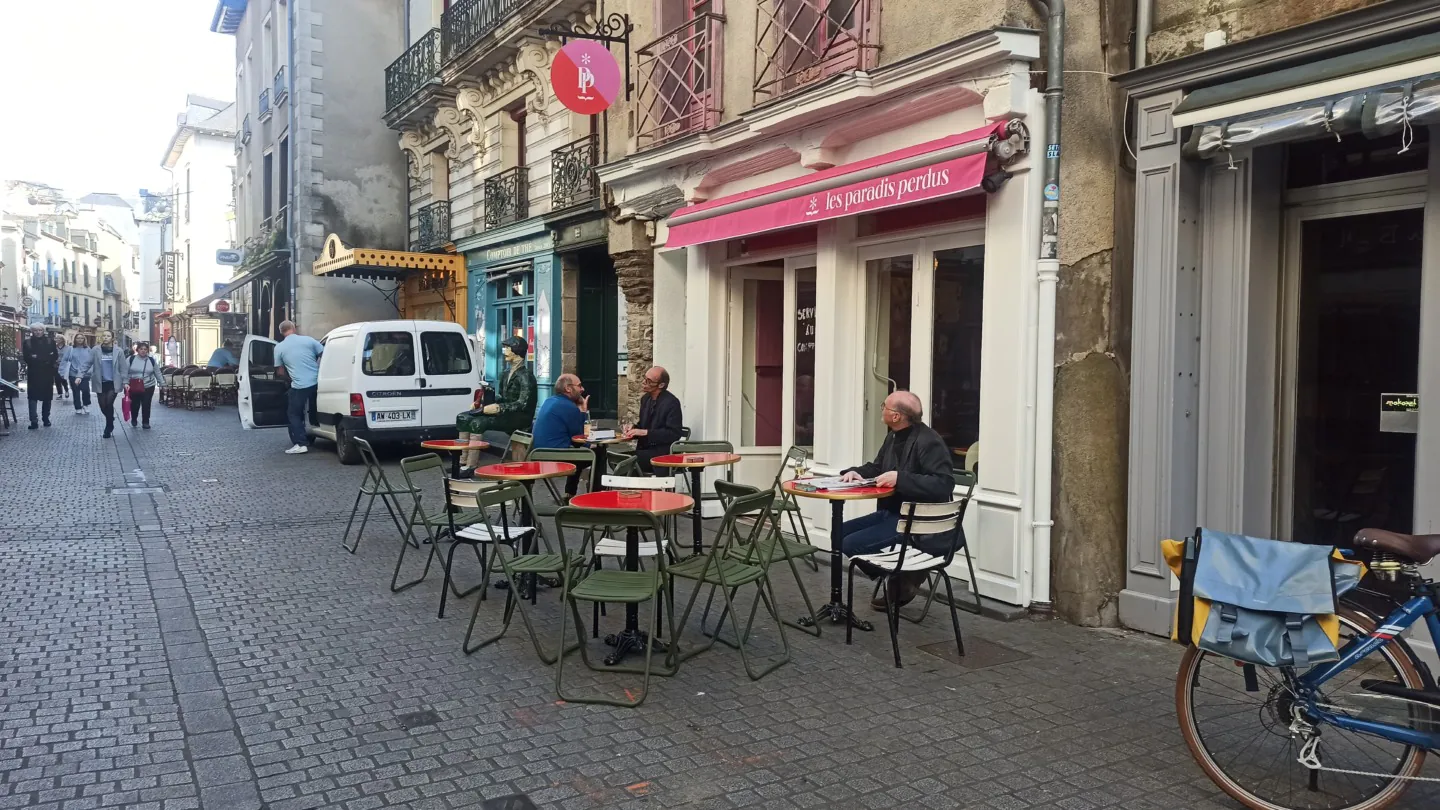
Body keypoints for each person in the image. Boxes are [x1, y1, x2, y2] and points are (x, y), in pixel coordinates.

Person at [837, 390, 956, 608]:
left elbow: (943, 484)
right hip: (893, 512)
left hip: (918, 521)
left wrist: (900, 479)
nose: (881, 408)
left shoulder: (929, 441)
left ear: (896, 416)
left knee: (849, 543)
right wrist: (855, 472)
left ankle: (906, 576)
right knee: (838, 533)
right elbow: (878, 467)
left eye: (885, 406)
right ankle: (903, 575)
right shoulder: (892, 436)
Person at [457, 335, 537, 472]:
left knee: (478, 423)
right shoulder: (505, 373)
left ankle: (471, 465)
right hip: (506, 412)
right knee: (463, 417)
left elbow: (523, 404)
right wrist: (482, 402)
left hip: (519, 416)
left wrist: (499, 408)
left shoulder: (526, 376)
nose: (504, 351)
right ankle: (461, 460)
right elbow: (502, 397)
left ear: (516, 351)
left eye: (507, 348)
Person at [533, 373, 590, 500]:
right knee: (596, 454)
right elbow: (579, 439)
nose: (582, 389)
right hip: (555, 455)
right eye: (579, 386)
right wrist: (583, 412)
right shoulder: (568, 407)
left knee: (580, 454)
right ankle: (596, 495)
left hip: (538, 453)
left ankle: (570, 493)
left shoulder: (550, 400)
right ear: (568, 388)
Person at [273, 320, 324, 455]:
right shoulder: (309, 340)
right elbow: (324, 355)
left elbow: (280, 372)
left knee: (294, 413)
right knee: (315, 407)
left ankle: (301, 443)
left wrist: (289, 380)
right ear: (293, 328)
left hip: (300, 385)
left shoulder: (279, 347)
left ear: (281, 332)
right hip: (318, 381)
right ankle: (318, 426)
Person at [630, 366, 683, 474]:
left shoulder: (672, 403)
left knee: (627, 461)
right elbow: (643, 426)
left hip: (662, 452)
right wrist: (632, 429)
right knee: (618, 458)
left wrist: (645, 432)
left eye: (649, 381)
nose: (644, 382)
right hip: (645, 449)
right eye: (644, 378)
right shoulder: (645, 399)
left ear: (661, 385)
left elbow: (674, 433)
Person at [116, 342, 162, 429]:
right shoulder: (131, 359)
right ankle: (134, 418)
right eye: (141, 349)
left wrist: (162, 383)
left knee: (146, 404)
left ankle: (146, 422)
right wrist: (125, 382)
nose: (143, 351)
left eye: (145, 349)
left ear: (147, 350)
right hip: (133, 385)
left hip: (148, 385)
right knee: (135, 404)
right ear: (138, 350)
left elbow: (157, 372)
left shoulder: (151, 360)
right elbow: (124, 371)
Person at [21, 324, 58, 429]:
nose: (38, 332)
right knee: (32, 397)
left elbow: (54, 355)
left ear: (43, 330)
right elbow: (27, 358)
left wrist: (38, 357)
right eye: (36, 330)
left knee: (47, 397)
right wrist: (44, 358)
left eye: (40, 330)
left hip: (47, 373)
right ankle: (33, 421)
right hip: (34, 373)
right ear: (32, 331)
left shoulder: (50, 342)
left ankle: (46, 418)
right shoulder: (27, 342)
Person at [89, 332, 121, 438]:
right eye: (104, 336)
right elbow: (87, 363)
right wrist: (79, 375)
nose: (105, 337)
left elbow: (123, 367)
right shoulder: (95, 350)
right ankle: (110, 418)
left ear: (112, 338)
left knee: (109, 403)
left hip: (113, 382)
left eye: (108, 336)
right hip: (100, 382)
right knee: (103, 405)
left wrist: (125, 381)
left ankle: (108, 427)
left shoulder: (118, 351)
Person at [67, 334, 93, 416]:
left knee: (85, 390)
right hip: (73, 373)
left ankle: (86, 404)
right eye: (78, 338)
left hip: (85, 374)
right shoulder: (71, 349)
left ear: (84, 339)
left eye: (82, 338)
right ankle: (78, 407)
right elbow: (66, 360)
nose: (80, 340)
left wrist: (90, 370)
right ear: (75, 339)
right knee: (75, 391)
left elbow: (91, 361)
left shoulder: (88, 349)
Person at [54, 335, 70, 401]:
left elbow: (69, 356)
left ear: (62, 340)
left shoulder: (67, 348)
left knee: (63, 379)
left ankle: (66, 390)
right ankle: (60, 394)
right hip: (56, 365)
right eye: (56, 338)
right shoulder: (54, 347)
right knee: (57, 380)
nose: (57, 339)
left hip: (64, 365)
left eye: (59, 338)